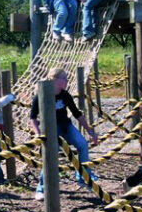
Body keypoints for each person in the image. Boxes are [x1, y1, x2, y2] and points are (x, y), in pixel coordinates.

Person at [30, 68, 98, 201]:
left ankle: (83, 177)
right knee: (51, 153)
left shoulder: (65, 95)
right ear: (56, 80)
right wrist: (38, 134)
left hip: (65, 126)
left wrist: (90, 131)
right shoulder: (41, 95)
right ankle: (41, 187)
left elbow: (77, 114)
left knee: (82, 144)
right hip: (49, 129)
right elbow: (32, 117)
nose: (67, 81)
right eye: (64, 78)